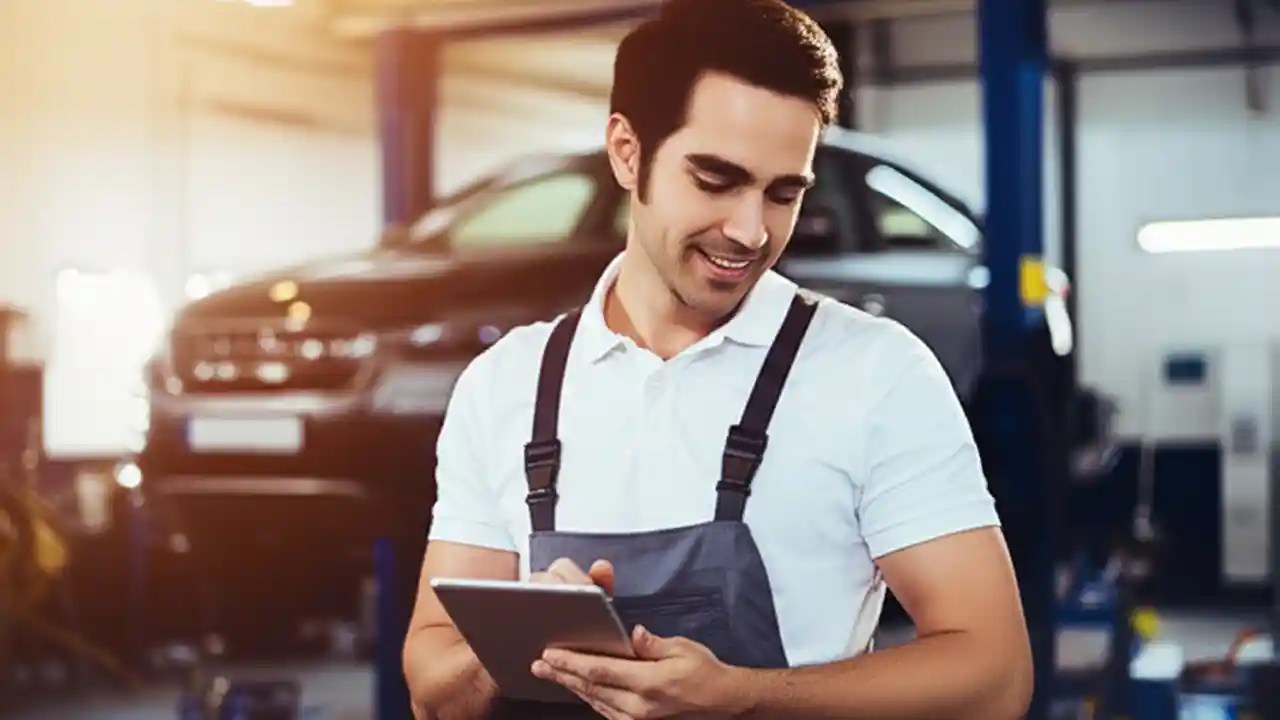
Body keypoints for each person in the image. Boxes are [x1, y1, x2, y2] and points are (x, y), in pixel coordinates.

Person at [402, 0, 1033, 717]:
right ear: (627, 152)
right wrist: (514, 643)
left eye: (783, 194)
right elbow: (432, 688)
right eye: (715, 181)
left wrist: (741, 699)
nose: (750, 231)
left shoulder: (876, 376)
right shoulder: (505, 384)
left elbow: (995, 677)